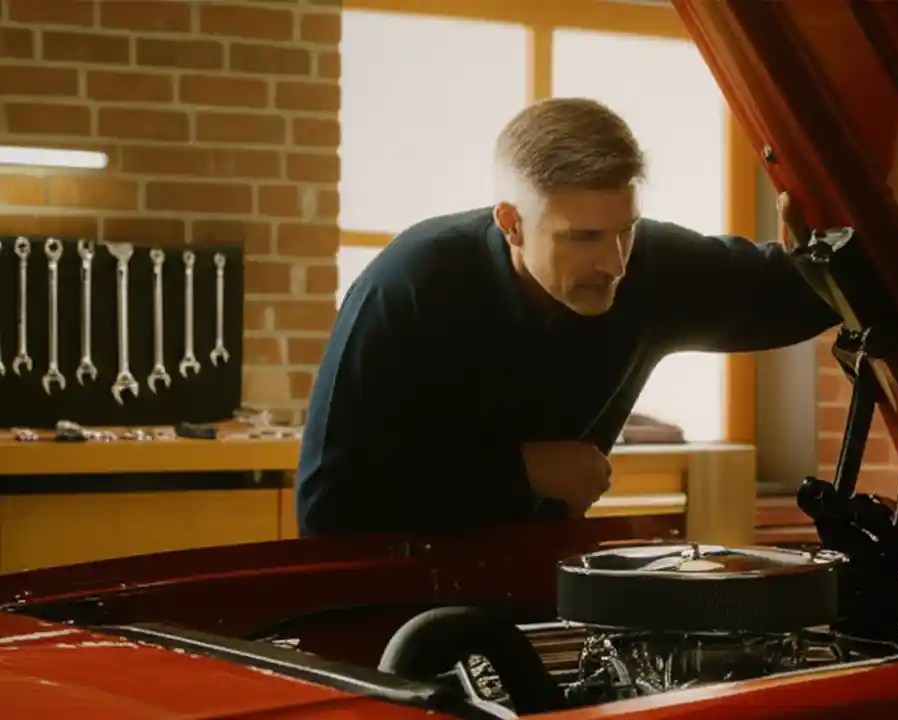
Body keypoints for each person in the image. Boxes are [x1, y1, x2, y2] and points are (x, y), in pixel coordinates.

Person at [295, 97, 839, 536]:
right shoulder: (407, 288)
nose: (614, 263)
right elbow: (330, 507)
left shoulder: (645, 265)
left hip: (543, 576)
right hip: (399, 595)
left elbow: (797, 294)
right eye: (583, 237)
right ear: (511, 223)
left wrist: (829, 239)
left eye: (626, 229)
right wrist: (524, 471)